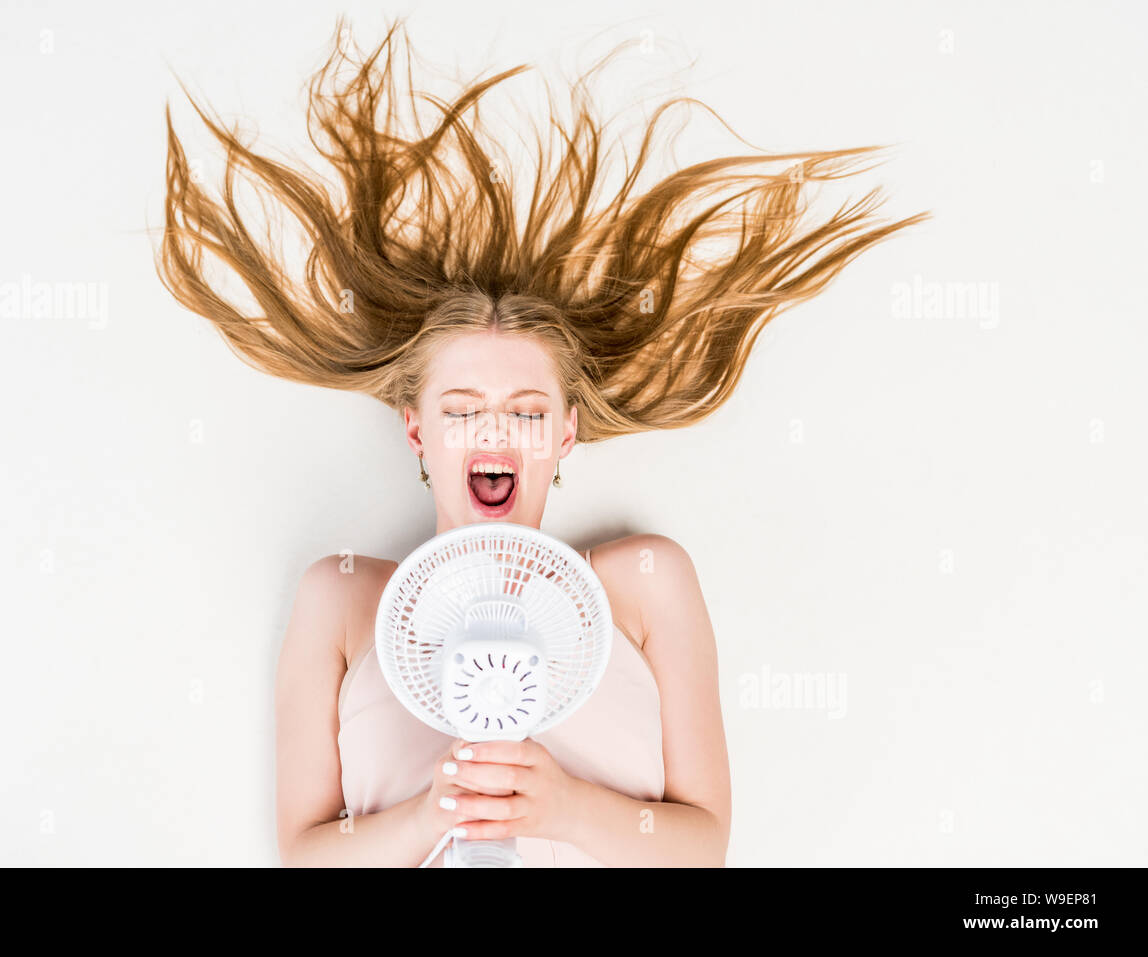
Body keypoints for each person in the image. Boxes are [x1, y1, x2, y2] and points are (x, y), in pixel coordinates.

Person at [155, 16, 929, 866]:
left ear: (565, 433)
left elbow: (703, 846)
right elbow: (305, 858)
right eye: (462, 407)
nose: (494, 428)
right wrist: (440, 809)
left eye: (526, 410)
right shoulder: (340, 603)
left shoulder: (645, 584)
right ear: (417, 428)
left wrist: (560, 805)